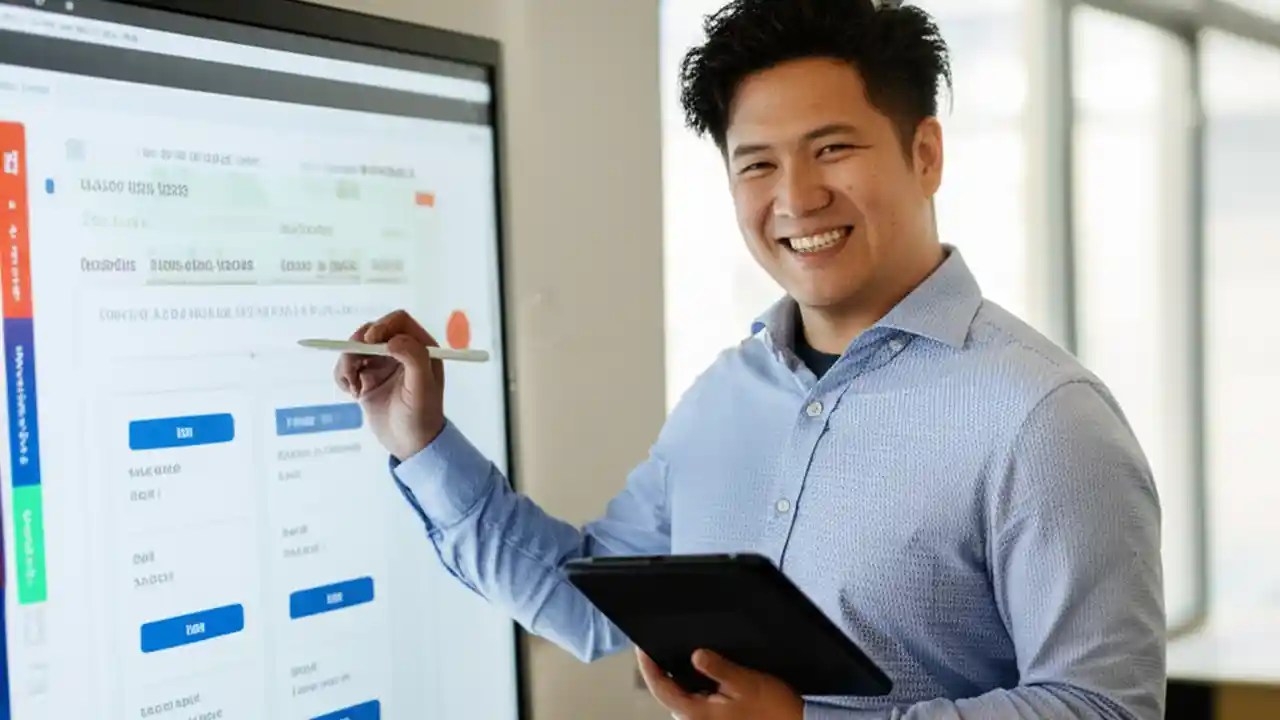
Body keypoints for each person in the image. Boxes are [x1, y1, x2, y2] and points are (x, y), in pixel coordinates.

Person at [334, 0, 1166, 717]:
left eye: (833, 148)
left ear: (926, 155)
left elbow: (1103, 705)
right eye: (757, 163)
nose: (796, 197)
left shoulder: (1045, 417)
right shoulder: (723, 397)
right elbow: (585, 603)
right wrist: (422, 440)